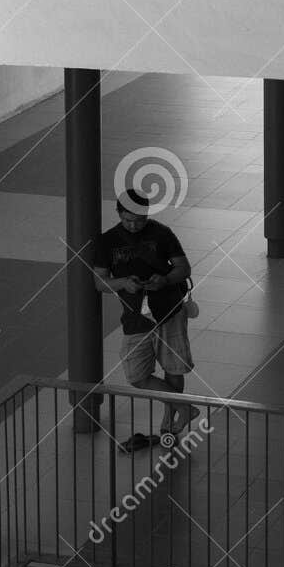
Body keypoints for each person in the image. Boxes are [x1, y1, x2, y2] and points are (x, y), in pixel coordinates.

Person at [92, 188, 197, 452]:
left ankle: (169, 423)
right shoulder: (107, 242)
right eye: (128, 219)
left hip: (170, 311)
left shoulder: (162, 233)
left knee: (173, 369)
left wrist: (166, 279)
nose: (134, 225)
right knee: (137, 376)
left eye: (139, 219)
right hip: (136, 318)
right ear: (118, 214)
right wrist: (123, 283)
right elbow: (100, 281)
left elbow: (183, 267)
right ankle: (185, 408)